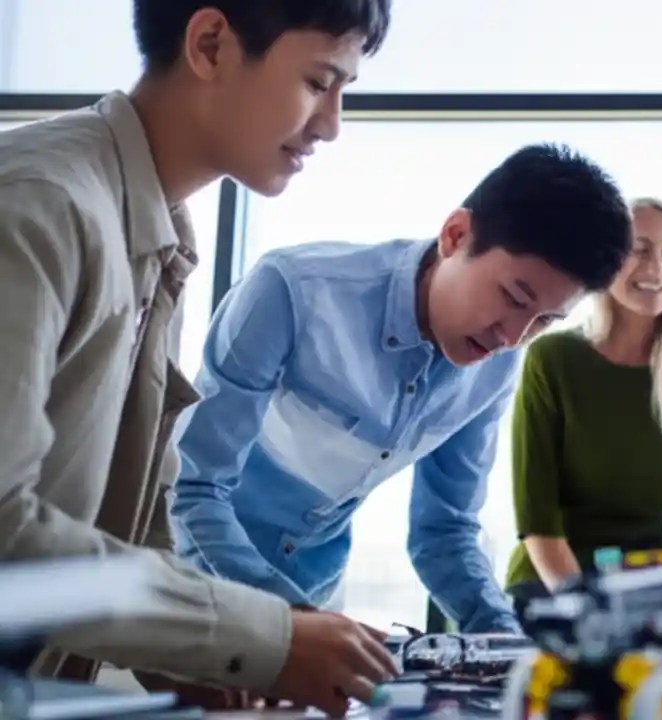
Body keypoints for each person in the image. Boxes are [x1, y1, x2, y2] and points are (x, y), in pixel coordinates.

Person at [0, 0, 399, 714]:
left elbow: (128, 515)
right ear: (211, 44)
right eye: (318, 82)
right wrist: (265, 638)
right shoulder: (41, 208)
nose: (332, 124)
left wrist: (188, 653)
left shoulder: (156, 233)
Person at [169, 143, 633, 635]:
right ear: (456, 235)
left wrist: (505, 642)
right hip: (188, 579)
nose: (512, 337)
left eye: (544, 321)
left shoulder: (496, 367)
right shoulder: (291, 292)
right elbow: (195, 489)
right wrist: (300, 627)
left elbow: (444, 534)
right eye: (514, 298)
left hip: (311, 591)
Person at [503, 197, 662, 601]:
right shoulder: (553, 360)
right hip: (555, 589)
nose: (656, 269)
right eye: (639, 250)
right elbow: (538, 522)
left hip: (659, 599)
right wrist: (586, 611)